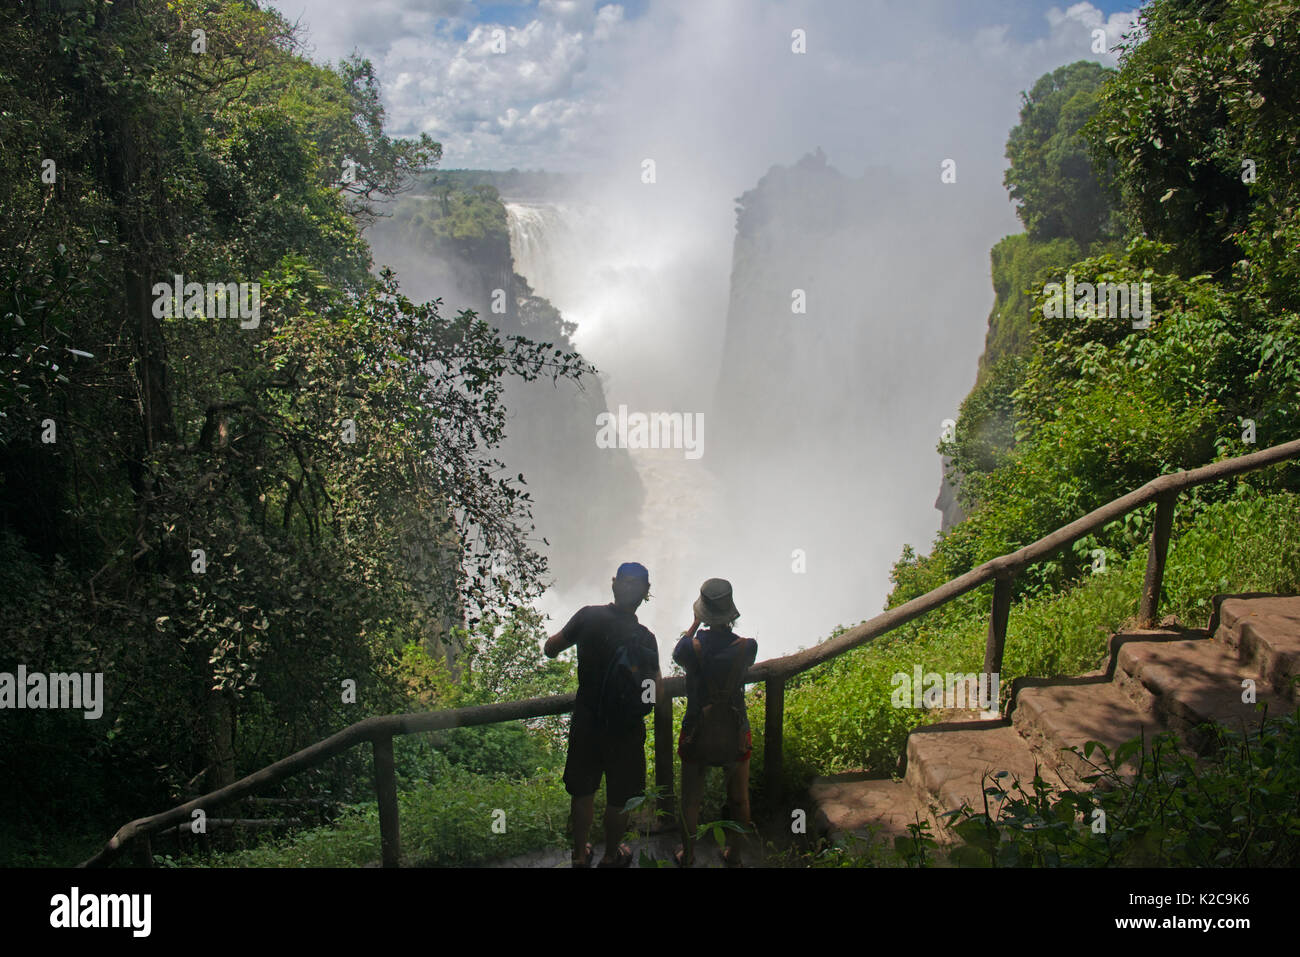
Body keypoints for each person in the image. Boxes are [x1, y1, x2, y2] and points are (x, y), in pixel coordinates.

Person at [545, 562, 661, 868]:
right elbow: (655, 692)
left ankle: (580, 855)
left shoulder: (588, 616)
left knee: (583, 791)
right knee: (619, 796)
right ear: (646, 594)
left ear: (613, 584)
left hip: (588, 722)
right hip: (625, 729)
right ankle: (611, 855)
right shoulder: (645, 638)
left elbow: (551, 648)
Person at [673, 577, 758, 867]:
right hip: (736, 730)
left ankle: (688, 855)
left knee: (691, 800)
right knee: (739, 799)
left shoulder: (690, 648)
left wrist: (694, 624)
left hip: (697, 729)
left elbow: (677, 651)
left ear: (704, 613)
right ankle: (734, 855)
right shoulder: (748, 647)